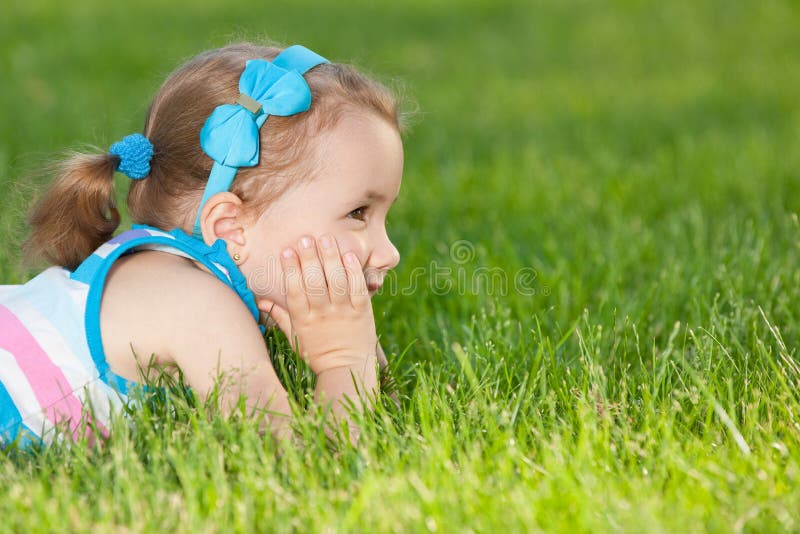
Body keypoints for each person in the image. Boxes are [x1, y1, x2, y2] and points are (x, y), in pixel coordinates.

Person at [0, 42, 407, 448]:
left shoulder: (173, 271)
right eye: (357, 213)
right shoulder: (196, 303)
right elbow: (287, 456)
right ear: (231, 227)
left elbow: (386, 418)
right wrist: (343, 361)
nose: (390, 254)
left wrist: (359, 346)